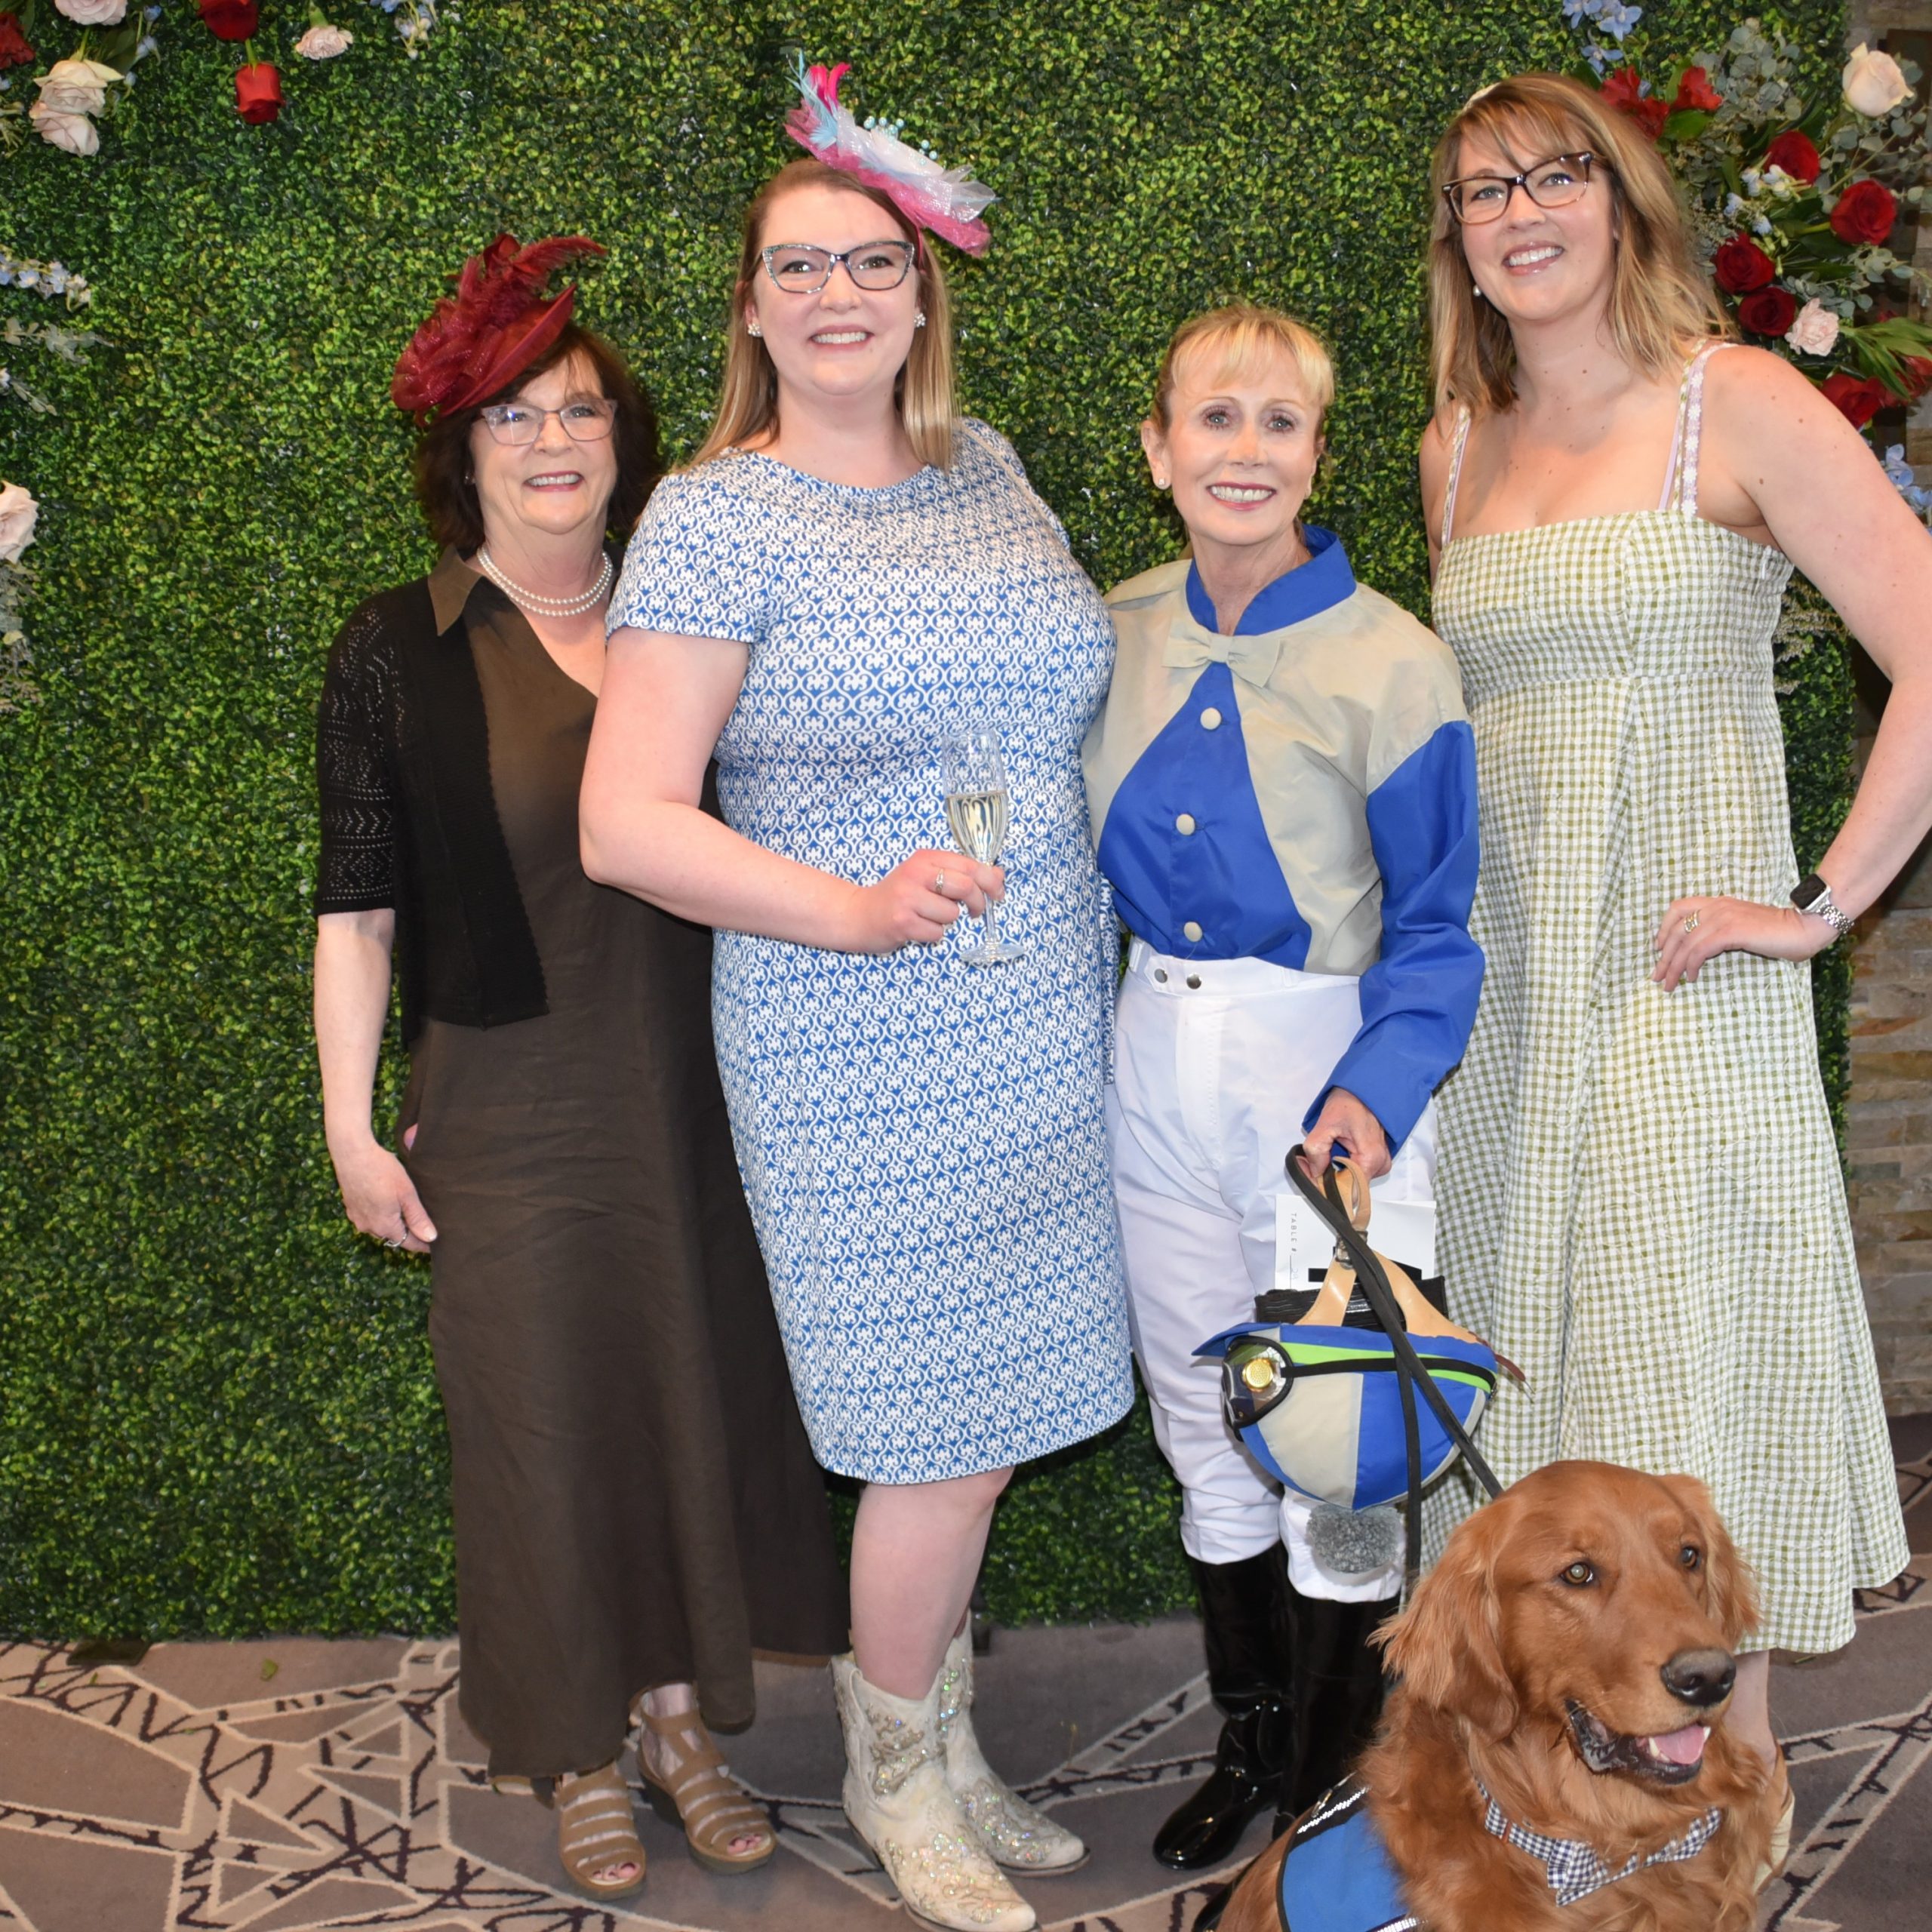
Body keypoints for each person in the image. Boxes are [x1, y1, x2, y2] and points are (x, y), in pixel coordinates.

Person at [580, 58, 1131, 1932]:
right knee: (927, 1435)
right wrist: (850, 906)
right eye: (797, 268)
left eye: (869, 263)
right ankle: (897, 1788)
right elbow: (626, 821)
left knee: (974, 1441)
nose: (836, 296)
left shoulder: (986, 469)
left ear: (922, 291)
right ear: (749, 309)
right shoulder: (716, 518)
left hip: (1043, 1014)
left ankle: (953, 1745)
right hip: (853, 1029)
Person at [1417, 72, 1921, 1853]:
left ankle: (1720, 1835)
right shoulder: (1451, 443)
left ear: (1619, 200)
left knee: (1672, 1406)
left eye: (1553, 173)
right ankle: (1556, 1822)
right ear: (1458, 243)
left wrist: (1820, 898)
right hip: (1503, 1014)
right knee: (1536, 1406)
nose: (1521, 210)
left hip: (1672, 994)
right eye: (1484, 191)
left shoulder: (1739, 400)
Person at [312, 232, 845, 1903]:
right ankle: (573, 1744)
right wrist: (346, 1119)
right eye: (510, 420)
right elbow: (357, 907)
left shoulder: (705, 620)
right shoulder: (398, 644)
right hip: (514, 1103)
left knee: (686, 1403)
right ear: (459, 456)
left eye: (583, 416)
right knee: (544, 1425)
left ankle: (684, 1720)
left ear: (627, 443)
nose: (552, 446)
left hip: (707, 1093)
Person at [1085, 303, 1484, 1870]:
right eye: (1213, 419)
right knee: (1204, 1422)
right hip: (1148, 1064)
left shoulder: (1394, 657)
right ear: (1157, 449)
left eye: (1279, 423)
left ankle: (1329, 1789)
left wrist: (1370, 1098)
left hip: (1316, 1085)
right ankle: (1249, 1740)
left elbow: (1440, 926)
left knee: (1332, 1435)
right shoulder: (1104, 629)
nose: (1243, 451)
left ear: (1319, 449)